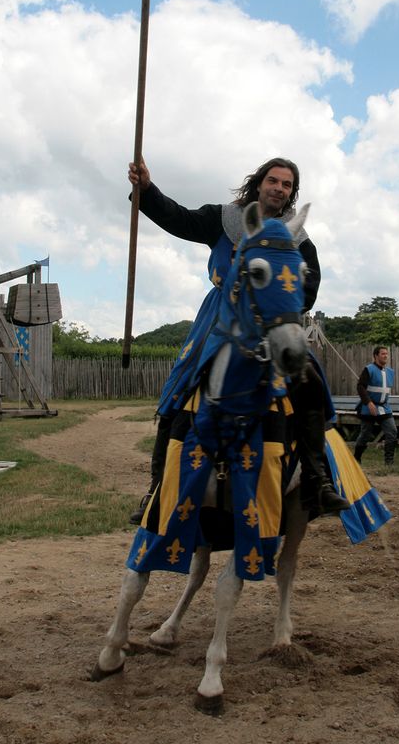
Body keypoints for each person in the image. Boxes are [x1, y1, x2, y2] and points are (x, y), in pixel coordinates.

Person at [128, 155, 350, 520]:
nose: (279, 188)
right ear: (259, 182)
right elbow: (178, 218)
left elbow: (309, 285)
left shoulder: (296, 237)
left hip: (275, 321)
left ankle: (315, 480)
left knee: (309, 380)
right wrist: (147, 190)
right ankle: (157, 492)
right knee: (179, 388)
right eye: (273, 180)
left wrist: (284, 310)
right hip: (221, 319)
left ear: (292, 193)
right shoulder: (225, 219)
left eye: (287, 184)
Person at [353, 345, 398, 466]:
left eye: (386, 354)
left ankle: (389, 463)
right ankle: (356, 460)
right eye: (383, 354)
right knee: (365, 435)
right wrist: (368, 402)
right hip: (369, 408)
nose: (385, 356)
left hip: (384, 407)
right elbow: (360, 386)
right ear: (376, 356)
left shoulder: (390, 372)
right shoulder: (369, 369)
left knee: (392, 432)